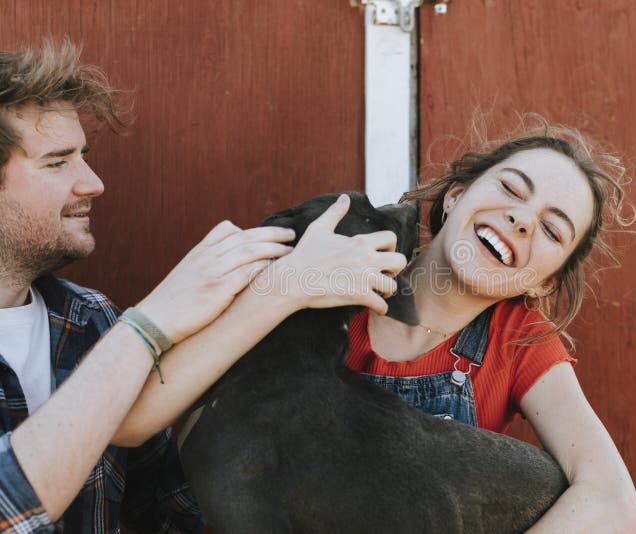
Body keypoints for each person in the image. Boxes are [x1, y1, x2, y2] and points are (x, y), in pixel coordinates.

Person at [0, 39, 406, 533]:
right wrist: (153, 323)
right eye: (58, 161)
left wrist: (275, 293)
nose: (93, 182)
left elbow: (169, 512)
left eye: (84, 155)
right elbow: (9, 509)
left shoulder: (87, 318)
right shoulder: (123, 330)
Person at [343, 123, 636, 532]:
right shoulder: (348, 272)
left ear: (544, 282)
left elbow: (614, 502)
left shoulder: (519, 340)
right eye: (511, 189)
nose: (522, 219)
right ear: (456, 195)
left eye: (552, 230)